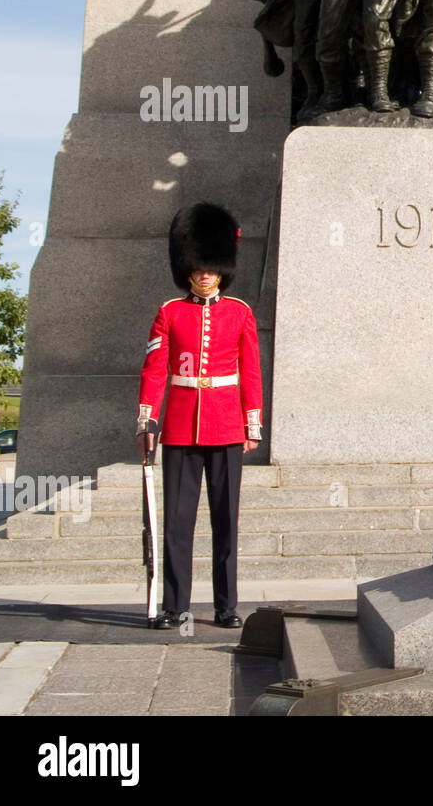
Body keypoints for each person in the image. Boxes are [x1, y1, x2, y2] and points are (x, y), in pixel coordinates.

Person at [137, 204, 263, 629]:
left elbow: (249, 371)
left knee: (225, 522)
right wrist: (147, 420)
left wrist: (252, 422)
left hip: (227, 426)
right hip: (179, 429)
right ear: (187, 269)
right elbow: (155, 370)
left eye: (211, 267)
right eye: (198, 268)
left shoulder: (240, 312)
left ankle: (226, 606)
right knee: (177, 523)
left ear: (220, 269)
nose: (205, 274)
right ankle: (175, 606)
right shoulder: (170, 312)